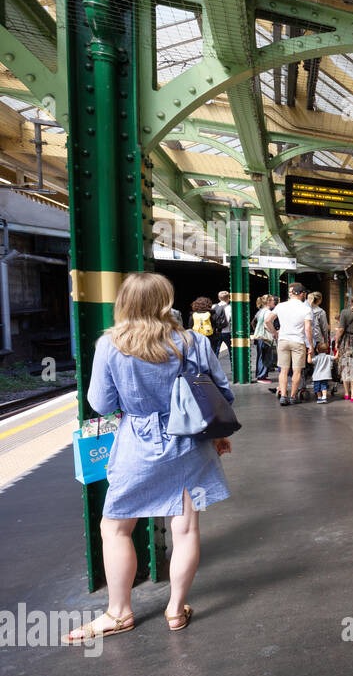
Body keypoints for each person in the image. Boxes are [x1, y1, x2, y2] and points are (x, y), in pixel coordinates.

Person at [63, 272, 233, 642]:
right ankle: (175, 609)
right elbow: (222, 392)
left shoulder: (110, 345)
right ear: (165, 302)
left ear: (123, 303)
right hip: (189, 442)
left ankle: (119, 612)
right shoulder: (193, 341)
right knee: (185, 527)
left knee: (115, 527)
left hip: (136, 445)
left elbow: (101, 404)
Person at [269, 282, 314, 406]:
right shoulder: (306, 308)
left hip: (283, 340)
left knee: (283, 370)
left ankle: (284, 396)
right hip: (298, 342)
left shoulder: (281, 306)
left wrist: (275, 333)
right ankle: (293, 396)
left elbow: (267, 321)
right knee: (297, 371)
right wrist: (310, 345)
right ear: (302, 294)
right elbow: (308, 329)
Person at [307, 292, 331, 404]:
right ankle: (322, 382)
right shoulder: (321, 311)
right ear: (320, 300)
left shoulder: (304, 309)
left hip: (304, 340)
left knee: (309, 362)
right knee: (320, 362)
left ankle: (306, 381)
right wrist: (325, 341)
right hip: (316, 339)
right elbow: (324, 328)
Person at [214, 290, 232, 360]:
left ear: (219, 298)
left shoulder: (214, 307)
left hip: (216, 332)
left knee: (216, 351)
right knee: (231, 351)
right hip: (227, 331)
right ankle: (233, 368)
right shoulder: (230, 308)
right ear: (228, 298)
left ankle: (214, 369)